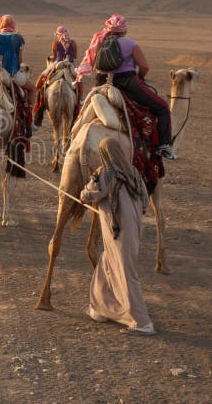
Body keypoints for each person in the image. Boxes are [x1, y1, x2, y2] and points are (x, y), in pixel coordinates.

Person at [81, 137, 155, 336]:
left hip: (118, 231)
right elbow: (146, 202)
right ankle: (98, 309)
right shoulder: (134, 173)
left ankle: (141, 322)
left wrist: (84, 194)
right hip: (133, 230)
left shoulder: (105, 173)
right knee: (106, 264)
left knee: (125, 274)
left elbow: (88, 194)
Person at [76, 13, 177, 160]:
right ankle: (164, 146)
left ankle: (70, 139)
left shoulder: (98, 42)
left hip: (101, 83)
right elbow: (144, 67)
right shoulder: (130, 44)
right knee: (162, 107)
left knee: (82, 110)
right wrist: (140, 78)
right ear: (124, 29)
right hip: (127, 83)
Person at [0, 14, 35, 107]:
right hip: (11, 73)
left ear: (1, 24)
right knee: (32, 89)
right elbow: (19, 60)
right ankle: (30, 116)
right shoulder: (18, 38)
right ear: (13, 25)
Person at [34, 25, 78, 126]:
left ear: (58, 35)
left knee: (41, 82)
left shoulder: (55, 43)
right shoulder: (73, 43)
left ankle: (40, 104)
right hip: (70, 64)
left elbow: (54, 55)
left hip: (57, 64)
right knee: (78, 82)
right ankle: (79, 101)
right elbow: (75, 56)